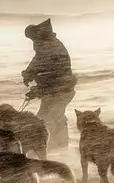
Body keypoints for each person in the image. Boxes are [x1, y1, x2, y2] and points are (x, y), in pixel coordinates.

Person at [21, 19, 77, 150]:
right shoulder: (46, 46)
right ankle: (59, 148)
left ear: (38, 36)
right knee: (55, 118)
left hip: (60, 91)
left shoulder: (50, 48)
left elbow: (52, 75)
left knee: (42, 120)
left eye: (32, 39)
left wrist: (37, 90)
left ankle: (47, 149)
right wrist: (28, 73)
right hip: (60, 90)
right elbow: (37, 62)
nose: (32, 42)